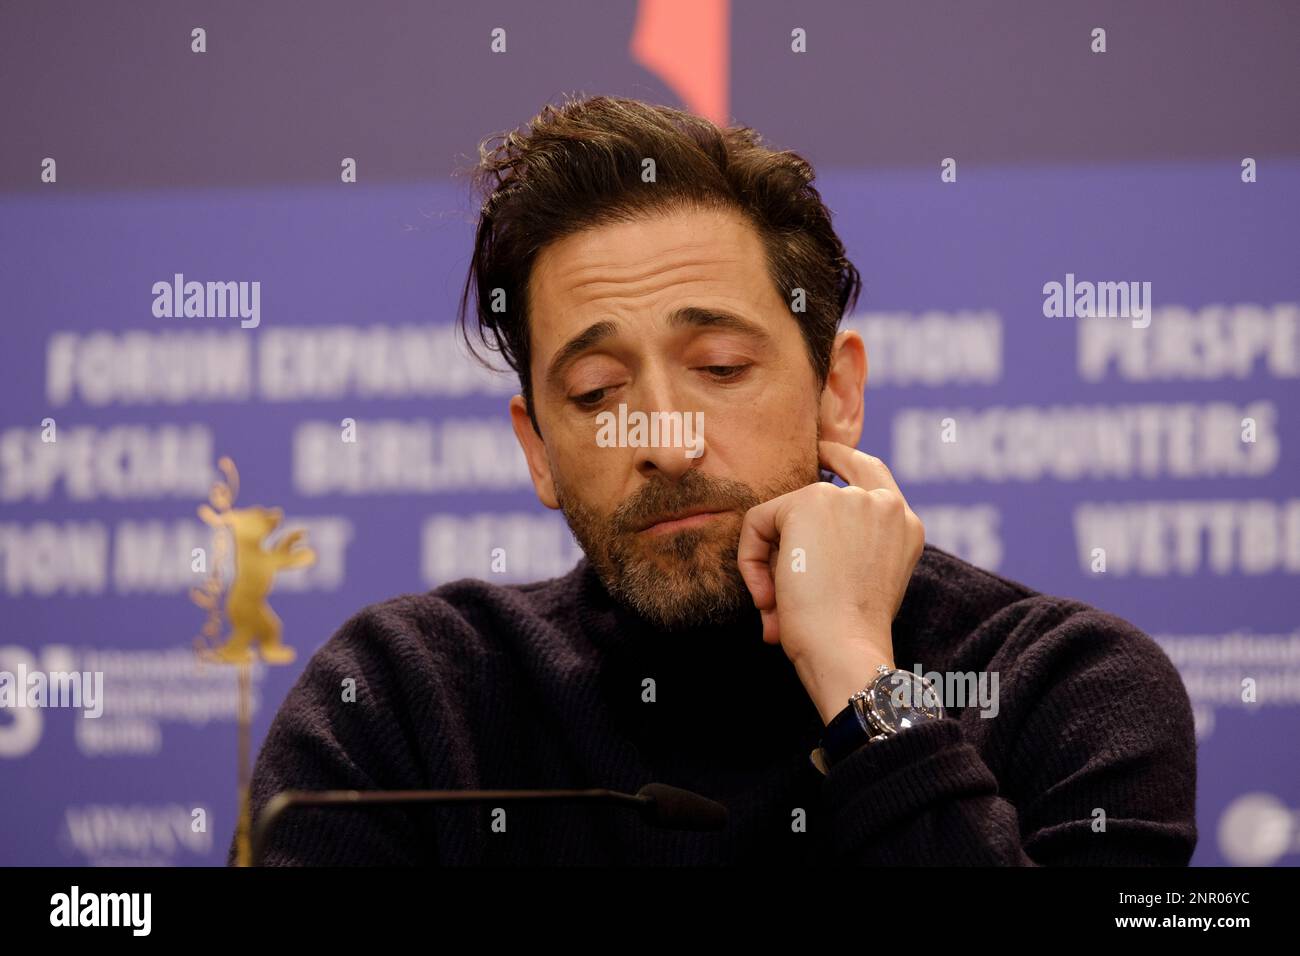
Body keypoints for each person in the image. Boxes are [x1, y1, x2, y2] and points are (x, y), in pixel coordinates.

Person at [231, 95, 1197, 865]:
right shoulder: (407, 699)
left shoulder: (1066, 684)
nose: (666, 436)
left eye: (722, 368)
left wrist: (863, 684)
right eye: (599, 390)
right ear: (537, 448)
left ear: (836, 393)